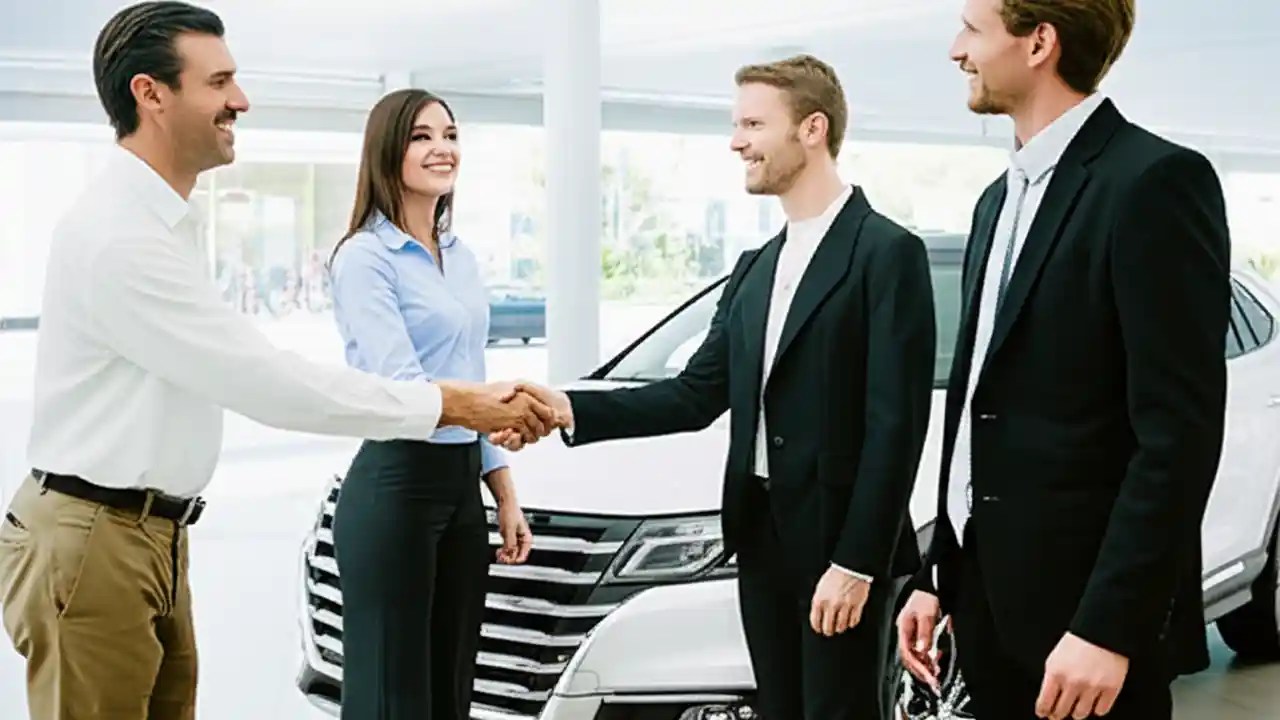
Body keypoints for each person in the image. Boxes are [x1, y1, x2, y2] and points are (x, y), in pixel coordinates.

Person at [0, 3, 553, 719]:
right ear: (152, 93)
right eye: (220, 82)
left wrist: (488, 458)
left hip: (150, 535)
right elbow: (263, 379)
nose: (241, 100)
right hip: (100, 536)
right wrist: (458, 403)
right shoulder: (120, 237)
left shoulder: (165, 222)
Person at [498, 54, 937, 720]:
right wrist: (566, 407)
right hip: (761, 536)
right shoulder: (755, 268)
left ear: (812, 130)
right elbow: (695, 394)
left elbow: (895, 428)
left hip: (837, 542)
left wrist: (857, 562)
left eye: (754, 124)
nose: (737, 142)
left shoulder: (885, 253)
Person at [896, 1, 1231, 719]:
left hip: (1085, 625)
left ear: (1040, 42)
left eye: (973, 30)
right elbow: (978, 406)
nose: (957, 50)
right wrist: (938, 576)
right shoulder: (996, 202)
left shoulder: (1155, 183)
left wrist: (1109, 626)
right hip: (988, 606)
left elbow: (1178, 435)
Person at [325, 88, 535, 720]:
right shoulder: (365, 258)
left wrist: (501, 488)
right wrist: (501, 410)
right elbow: (404, 386)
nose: (442, 148)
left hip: (458, 489)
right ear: (388, 151)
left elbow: (469, 371)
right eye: (422, 136)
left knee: (450, 692)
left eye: (450, 134)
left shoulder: (461, 256)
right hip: (395, 486)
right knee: (393, 699)